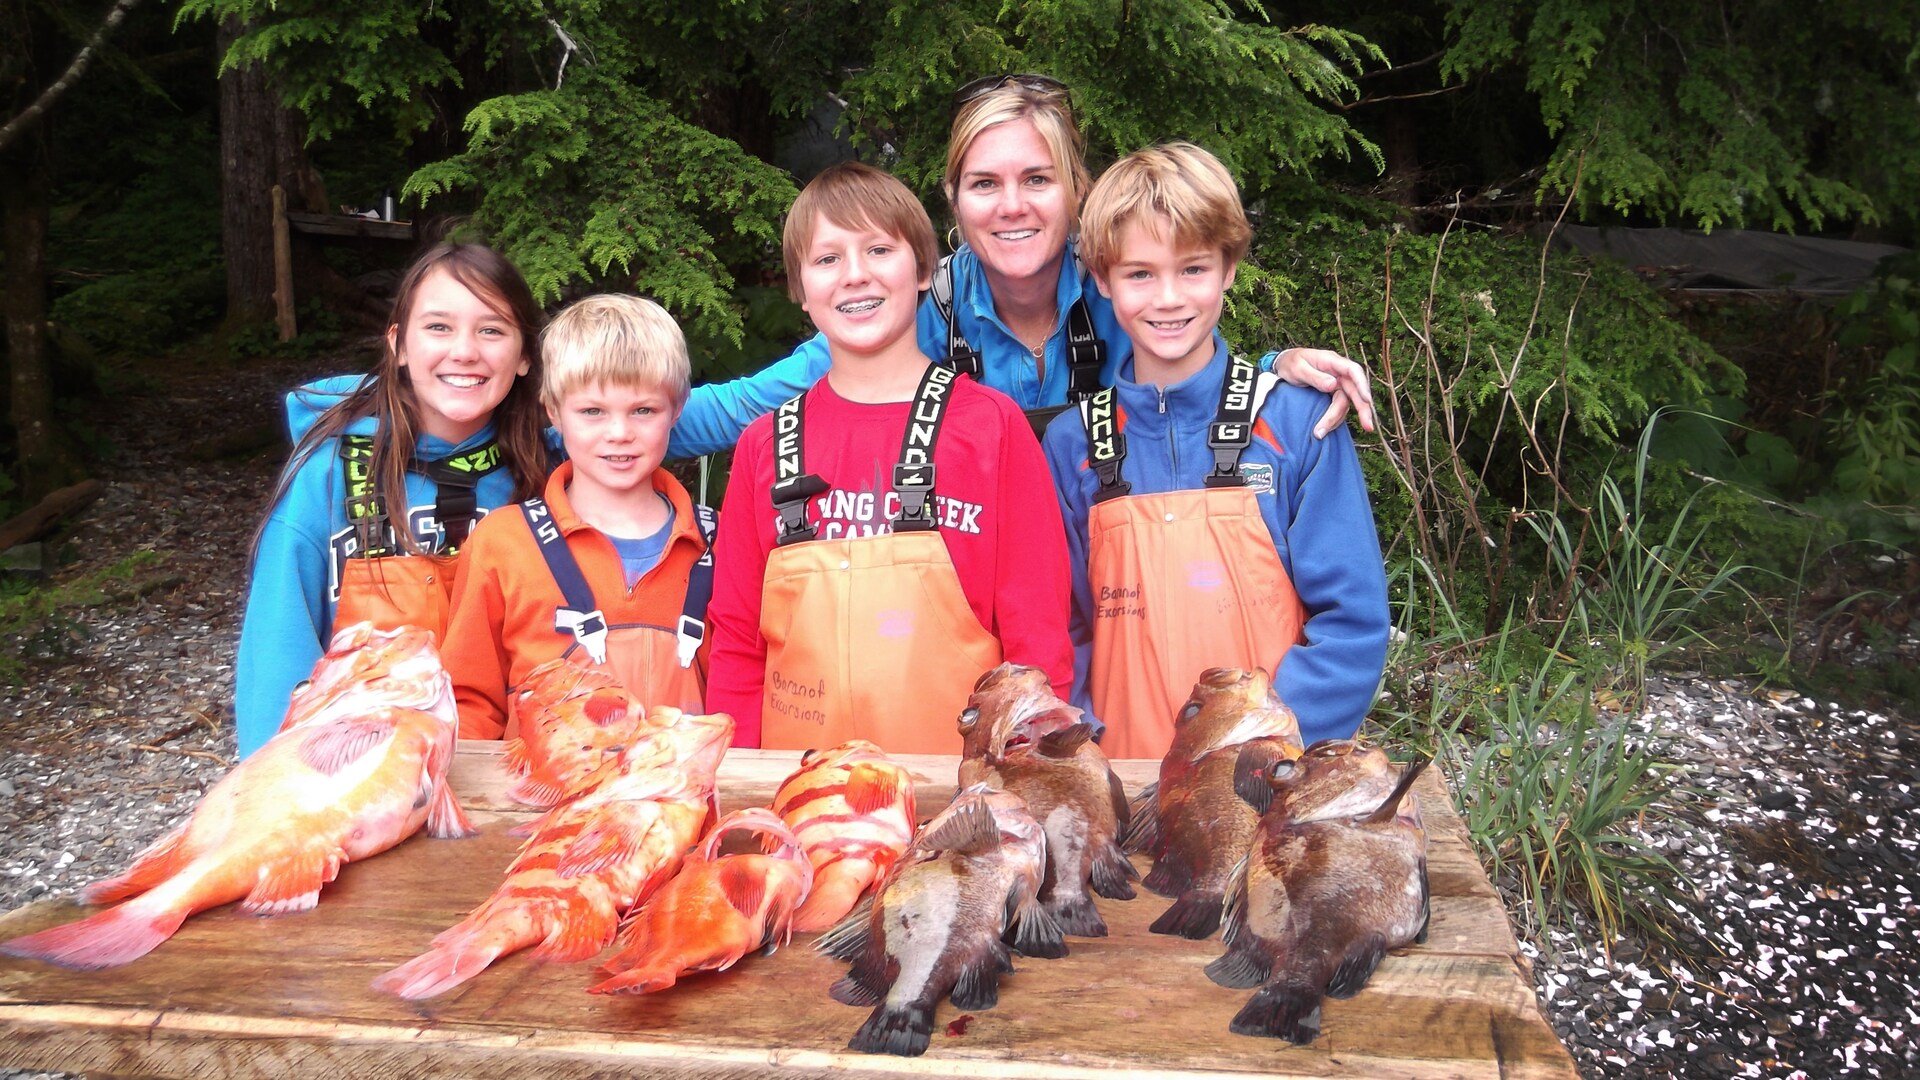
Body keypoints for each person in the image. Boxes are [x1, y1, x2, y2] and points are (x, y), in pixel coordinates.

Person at [665, 74, 1376, 458]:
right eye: (984, 184)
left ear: (1077, 190)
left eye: (1037, 180)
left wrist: (1276, 370)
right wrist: (572, 427)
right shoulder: (914, 312)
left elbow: (1191, 373)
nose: (1013, 207)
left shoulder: (1119, 292)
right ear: (953, 199)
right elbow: (737, 410)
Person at [705, 162, 1074, 753]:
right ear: (799, 289)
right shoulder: (763, 446)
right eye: (827, 259)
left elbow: (1038, 643)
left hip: (959, 814)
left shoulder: (992, 427)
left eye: (878, 249)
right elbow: (736, 648)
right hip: (797, 808)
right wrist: (738, 785)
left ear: (925, 269)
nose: (855, 276)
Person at [1042, 142, 1390, 760]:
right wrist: (1083, 751)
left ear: (1229, 268)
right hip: (1126, 789)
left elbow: (1352, 622)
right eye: (1140, 274)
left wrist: (1267, 750)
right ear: (1102, 280)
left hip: (1271, 787)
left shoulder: (1297, 420)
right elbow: (1063, 629)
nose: (1169, 298)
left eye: (1193, 269)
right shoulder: (1073, 443)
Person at [236, 243, 550, 758]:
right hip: (357, 778)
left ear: (524, 357)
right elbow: (277, 643)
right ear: (399, 345)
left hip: (511, 781)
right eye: (439, 327)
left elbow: (649, 411)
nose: (465, 351)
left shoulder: (551, 467)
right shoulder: (326, 473)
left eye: (491, 330)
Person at [439, 295, 711, 739]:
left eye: (643, 410)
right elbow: (468, 705)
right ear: (553, 412)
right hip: (538, 806)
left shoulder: (718, 545)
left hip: (684, 805)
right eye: (592, 412)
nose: (619, 433)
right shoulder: (502, 544)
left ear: (677, 408)